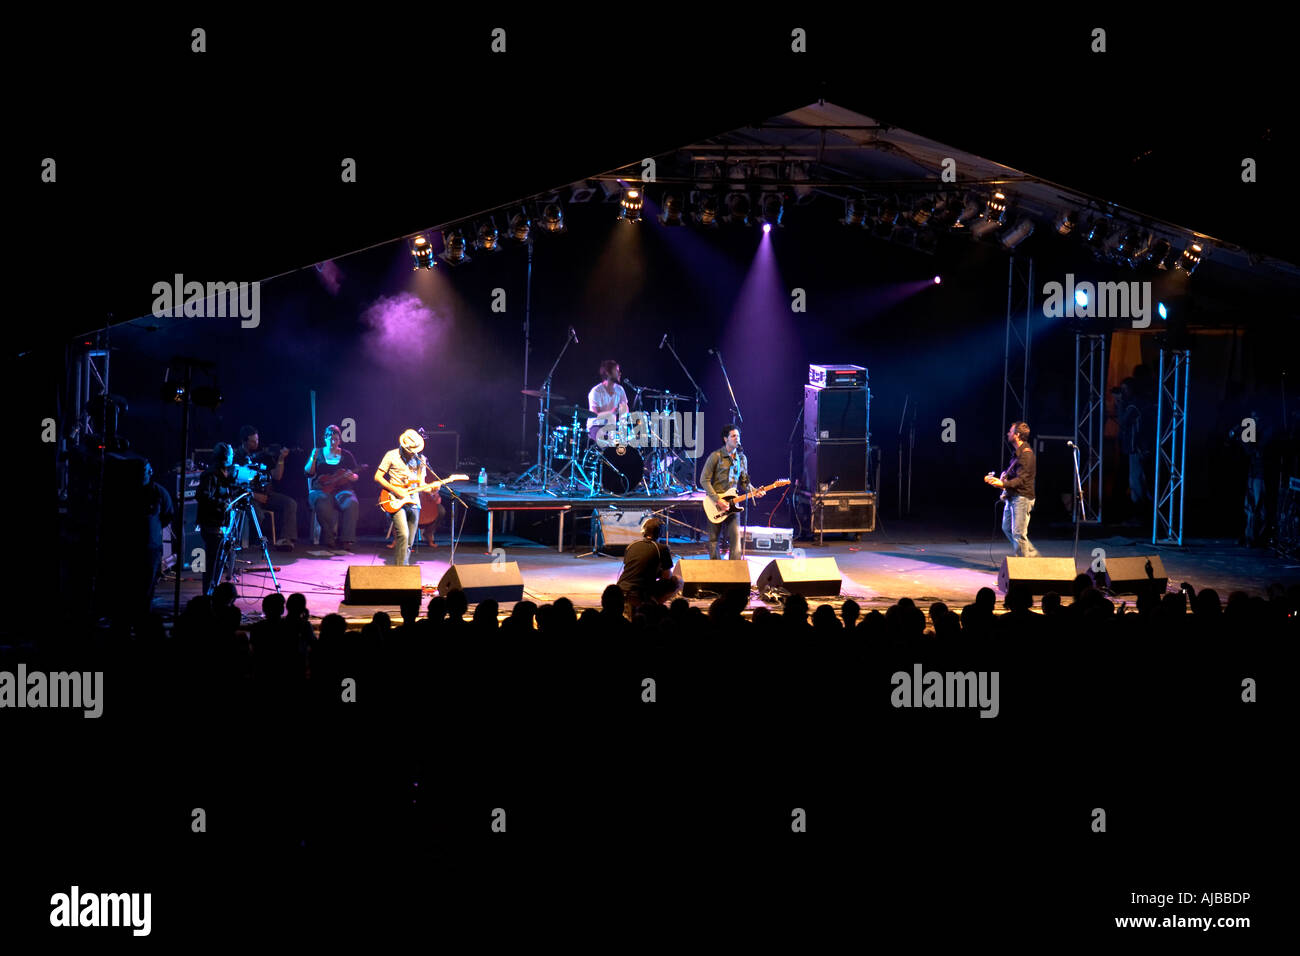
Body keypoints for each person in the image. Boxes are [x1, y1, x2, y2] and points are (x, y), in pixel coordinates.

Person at [700, 425, 765, 560]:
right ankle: (715, 572)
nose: (737, 438)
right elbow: (704, 480)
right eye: (733, 436)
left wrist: (754, 491)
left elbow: (744, 483)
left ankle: (735, 574)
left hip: (733, 504)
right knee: (713, 540)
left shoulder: (742, 459)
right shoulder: (715, 456)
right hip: (715, 503)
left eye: (738, 436)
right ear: (725, 439)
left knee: (736, 541)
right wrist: (718, 500)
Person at [235, 425, 298, 551]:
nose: (256, 443)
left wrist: (281, 459)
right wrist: (254, 495)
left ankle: (285, 540)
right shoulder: (238, 457)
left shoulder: (264, 454)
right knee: (258, 515)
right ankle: (254, 542)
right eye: (253, 441)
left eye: (257, 440)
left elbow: (277, 476)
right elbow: (237, 484)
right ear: (244, 441)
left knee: (290, 503)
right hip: (248, 496)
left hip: (266, 495)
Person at [374, 429, 428, 566]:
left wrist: (432, 489)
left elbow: (421, 483)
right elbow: (378, 477)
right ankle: (399, 573)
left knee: (409, 541)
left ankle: (404, 571)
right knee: (403, 534)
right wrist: (396, 490)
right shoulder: (391, 455)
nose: (413, 453)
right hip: (395, 499)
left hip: (414, 501)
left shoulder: (421, 460)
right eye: (411, 450)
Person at [985, 421, 1039, 558]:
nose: (1008, 433)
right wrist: (1001, 479)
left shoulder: (1026, 455)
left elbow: (1021, 480)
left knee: (1018, 534)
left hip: (1022, 498)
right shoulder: (1018, 454)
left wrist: (1002, 484)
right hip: (1013, 496)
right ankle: (1032, 557)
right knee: (1007, 528)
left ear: (1017, 435)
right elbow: (1015, 475)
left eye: (1010, 431)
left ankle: (1023, 569)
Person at [305, 423, 359, 551]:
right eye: (329, 437)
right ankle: (329, 537)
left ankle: (347, 539)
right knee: (323, 502)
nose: (332, 440)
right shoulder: (318, 452)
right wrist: (313, 457)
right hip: (320, 489)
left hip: (342, 489)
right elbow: (308, 473)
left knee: (352, 503)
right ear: (325, 438)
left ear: (339, 440)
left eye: (335, 438)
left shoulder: (346, 454)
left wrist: (354, 477)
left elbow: (355, 473)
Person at [196, 442, 238, 594]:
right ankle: (208, 594)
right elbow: (202, 496)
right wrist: (222, 504)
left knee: (219, 561)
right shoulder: (210, 474)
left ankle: (214, 591)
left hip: (223, 522)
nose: (233, 456)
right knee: (212, 562)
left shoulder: (227, 473)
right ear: (225, 457)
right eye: (231, 454)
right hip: (212, 524)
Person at [616, 516, 680, 612]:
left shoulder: (631, 545)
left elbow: (632, 568)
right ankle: (653, 607)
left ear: (643, 531)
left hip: (620, 590)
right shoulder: (662, 548)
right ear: (660, 533)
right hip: (640, 593)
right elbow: (667, 576)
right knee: (677, 581)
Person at [587, 359, 629, 444]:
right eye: (616, 370)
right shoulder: (596, 391)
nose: (619, 373)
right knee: (605, 441)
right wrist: (612, 412)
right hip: (596, 425)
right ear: (607, 373)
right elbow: (595, 414)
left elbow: (625, 408)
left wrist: (624, 412)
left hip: (612, 426)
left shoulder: (620, 390)